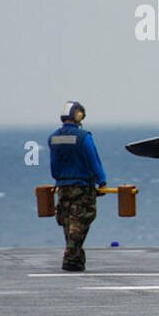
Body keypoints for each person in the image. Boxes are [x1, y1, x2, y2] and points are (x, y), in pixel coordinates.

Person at [48, 101, 107, 272]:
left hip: (63, 185)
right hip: (82, 186)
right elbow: (92, 160)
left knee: (67, 220)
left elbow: (54, 165)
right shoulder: (83, 137)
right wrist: (101, 180)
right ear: (78, 115)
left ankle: (77, 260)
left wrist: (59, 179)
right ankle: (71, 258)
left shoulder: (54, 137)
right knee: (80, 220)